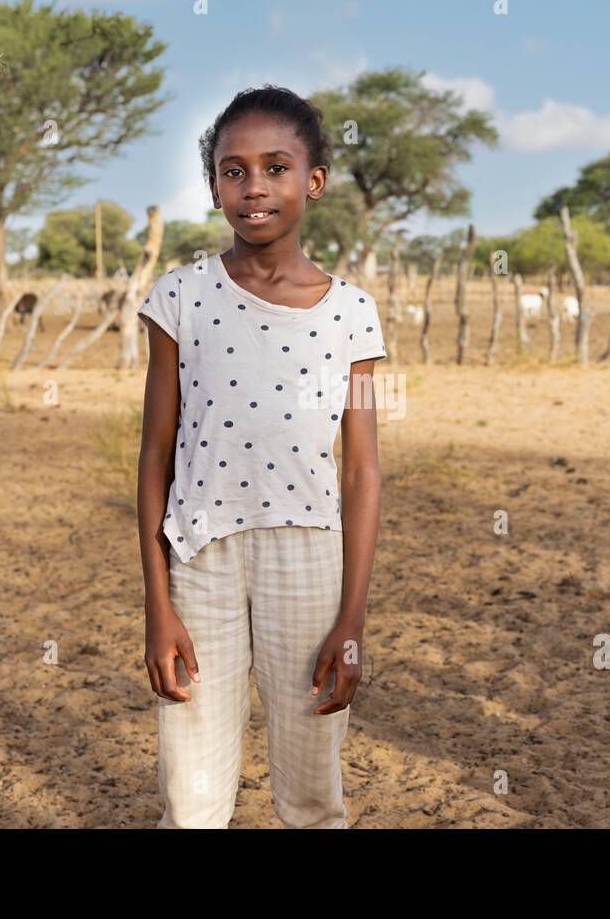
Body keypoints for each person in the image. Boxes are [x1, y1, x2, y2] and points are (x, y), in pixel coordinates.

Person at [136, 85, 386, 828]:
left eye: (275, 168)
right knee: (192, 797)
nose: (254, 189)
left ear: (313, 180)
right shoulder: (179, 297)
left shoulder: (352, 311)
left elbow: (363, 469)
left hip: (310, 560)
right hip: (200, 560)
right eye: (233, 169)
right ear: (214, 184)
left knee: (312, 795)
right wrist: (157, 603)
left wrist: (352, 620)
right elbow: (154, 454)